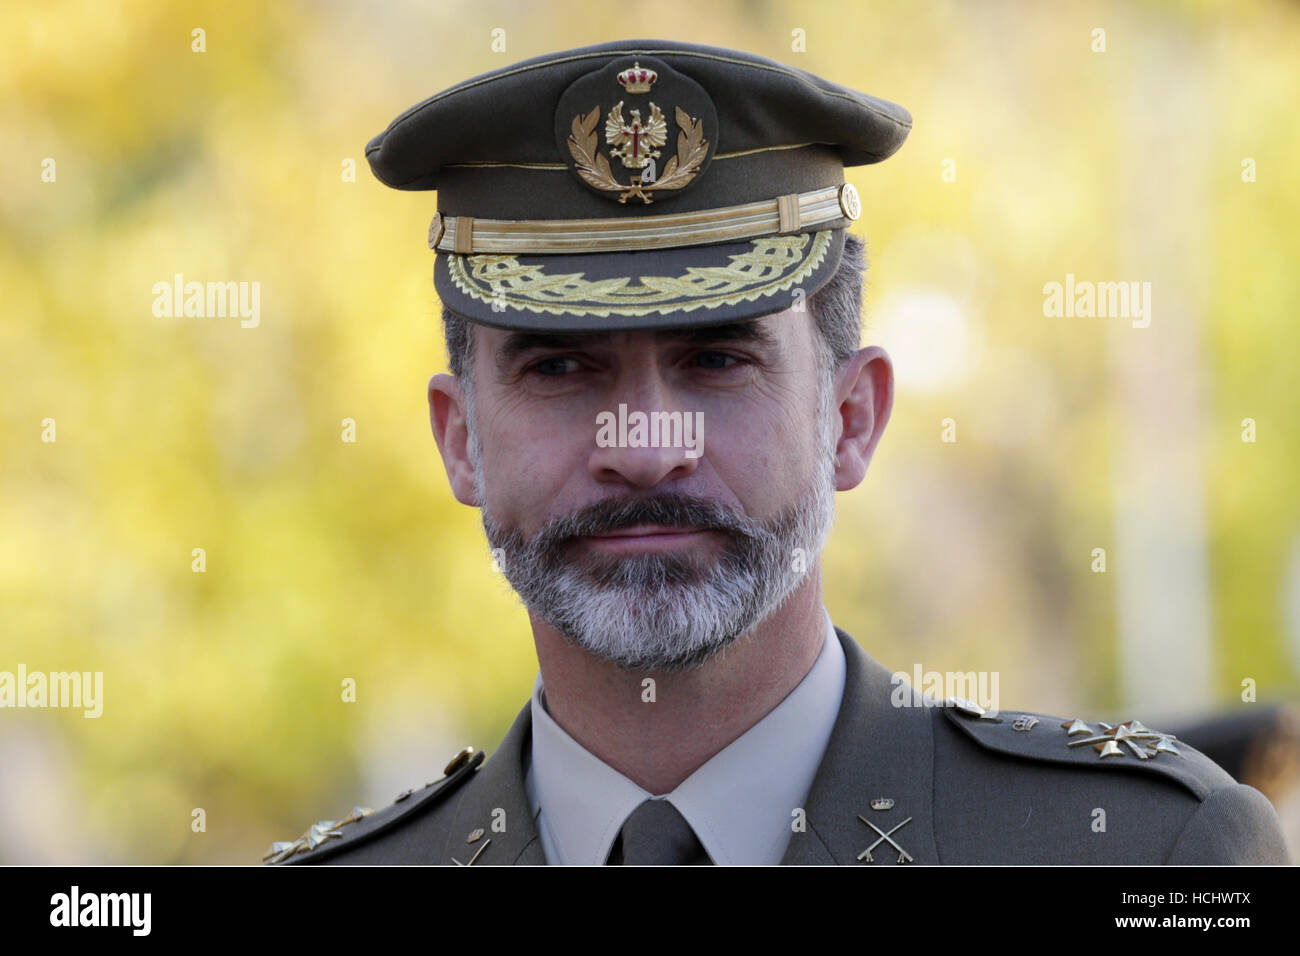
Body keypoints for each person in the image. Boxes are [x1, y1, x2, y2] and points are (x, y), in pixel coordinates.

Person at [265, 39, 1289, 865]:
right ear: (460, 440)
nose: (646, 447)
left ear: (850, 416)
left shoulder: (1143, 854)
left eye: (715, 358)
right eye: (561, 369)